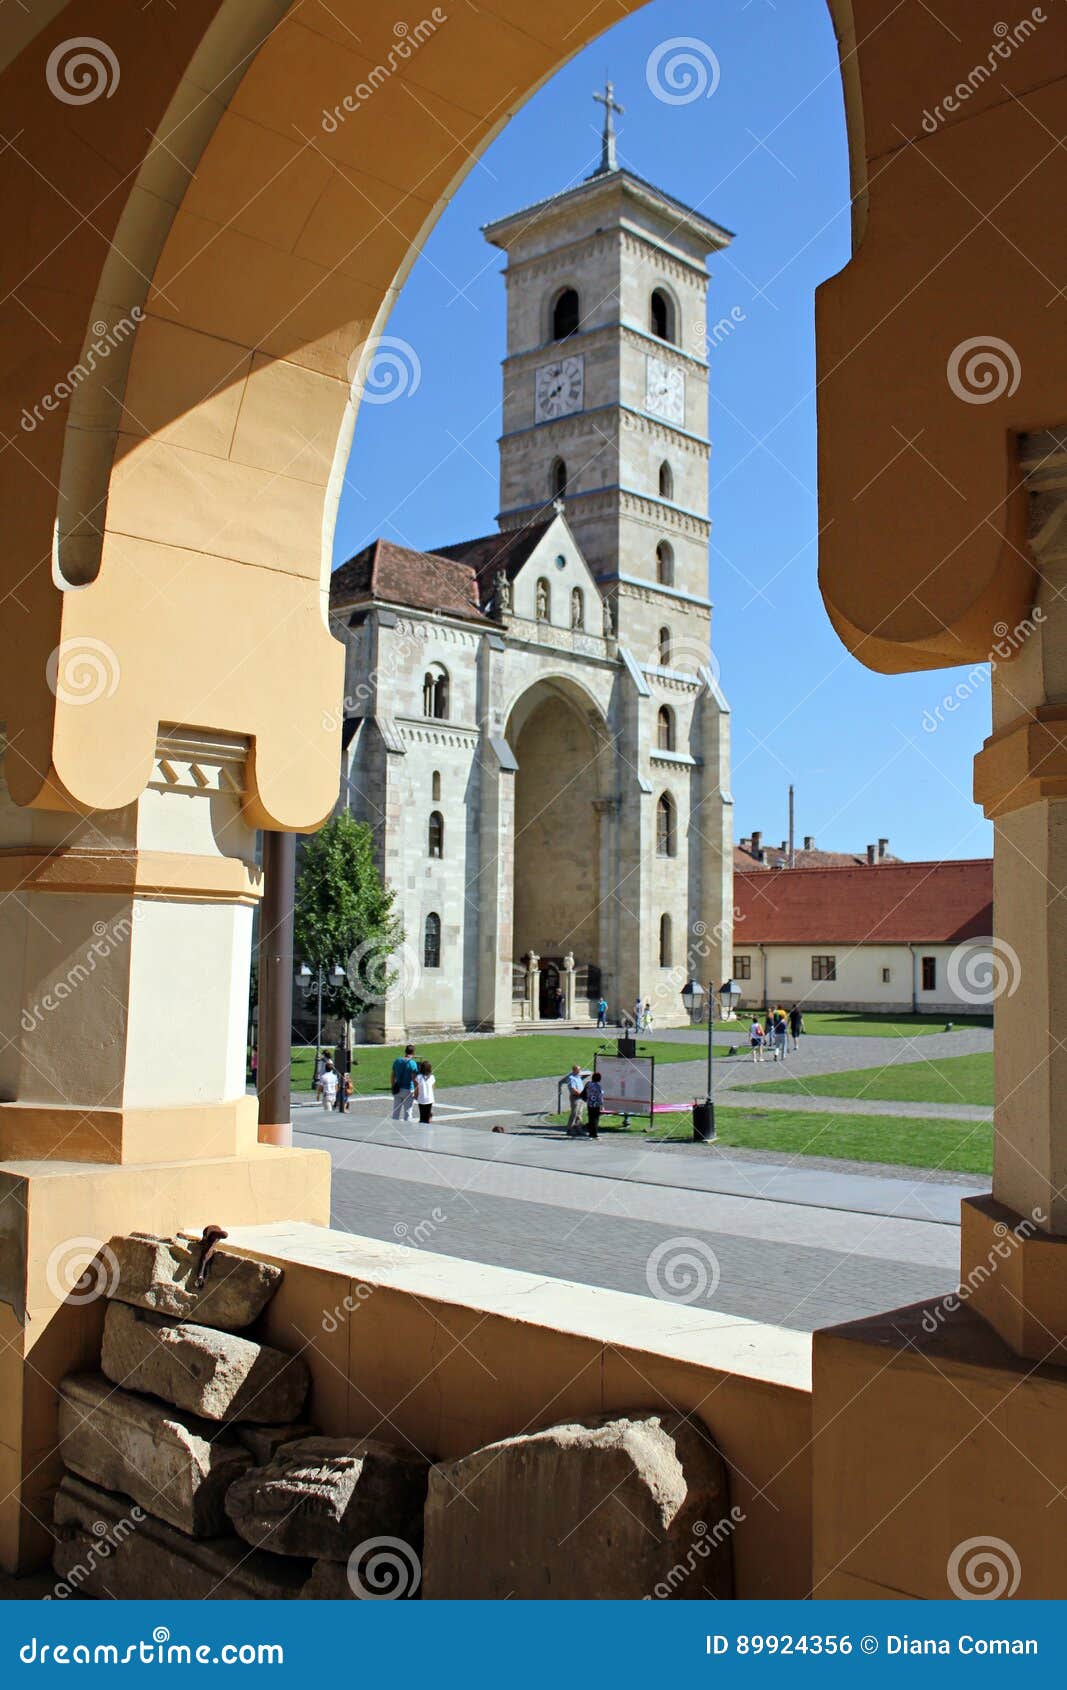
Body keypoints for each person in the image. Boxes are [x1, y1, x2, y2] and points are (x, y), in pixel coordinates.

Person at [390, 1044, 419, 1122]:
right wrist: (417, 1092)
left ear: (405, 1051)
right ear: (413, 1053)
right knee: (408, 1113)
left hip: (398, 1088)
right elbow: (414, 1079)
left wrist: (393, 1087)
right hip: (408, 1089)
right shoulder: (412, 1063)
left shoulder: (397, 1061)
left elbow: (392, 1076)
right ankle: (407, 1131)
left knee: (395, 1112)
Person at [564, 1064, 585, 1135]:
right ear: (574, 1070)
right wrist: (581, 1094)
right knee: (574, 1113)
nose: (580, 1071)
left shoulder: (578, 1077)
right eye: (578, 1070)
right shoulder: (571, 1078)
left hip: (581, 1097)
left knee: (580, 1113)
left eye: (580, 1069)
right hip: (575, 1097)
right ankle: (569, 1129)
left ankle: (579, 1128)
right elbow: (573, 1089)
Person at [584, 1071, 604, 1139]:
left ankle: (590, 1134)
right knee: (596, 1119)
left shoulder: (588, 1084)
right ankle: (595, 1134)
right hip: (596, 1104)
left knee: (590, 1118)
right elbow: (600, 1096)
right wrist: (602, 1105)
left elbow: (586, 1092)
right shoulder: (598, 1086)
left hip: (589, 1103)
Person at [415, 1060, 436, 1124]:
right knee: (427, 1116)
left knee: (422, 1116)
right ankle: (429, 1117)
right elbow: (432, 1088)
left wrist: (416, 1096)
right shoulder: (432, 1077)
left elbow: (417, 1089)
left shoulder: (418, 1077)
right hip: (429, 1098)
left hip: (421, 1098)